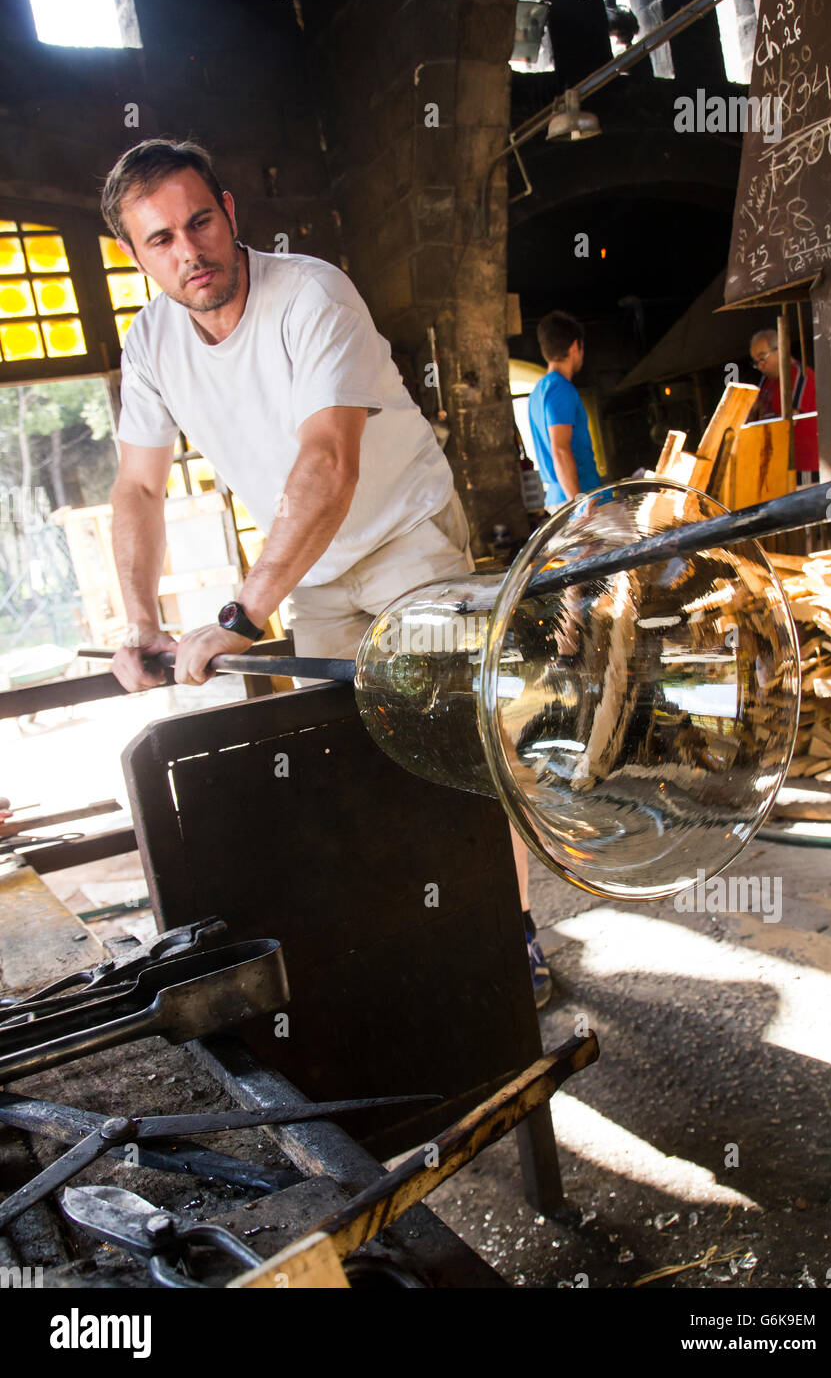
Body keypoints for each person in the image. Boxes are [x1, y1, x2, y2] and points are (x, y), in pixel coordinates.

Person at [102, 138, 551, 1006]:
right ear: (135, 255)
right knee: (348, 760)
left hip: (403, 538)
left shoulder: (309, 292)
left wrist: (238, 616)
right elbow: (138, 486)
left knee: (458, 743)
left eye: (199, 222)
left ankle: (508, 934)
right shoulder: (152, 342)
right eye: (160, 240)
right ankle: (417, 926)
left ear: (230, 211)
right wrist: (139, 623)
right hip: (313, 571)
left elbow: (328, 461)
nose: (188, 251)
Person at [527, 311, 601, 507]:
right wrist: (579, 503)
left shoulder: (538, 392)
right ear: (575, 346)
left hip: (561, 497)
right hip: (578, 498)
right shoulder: (560, 388)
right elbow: (560, 449)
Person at [747, 328, 819, 483]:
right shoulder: (765, 383)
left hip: (803, 467)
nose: (760, 365)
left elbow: (791, 420)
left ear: (781, 349)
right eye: (755, 361)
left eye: (762, 358)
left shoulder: (801, 375)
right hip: (778, 468)